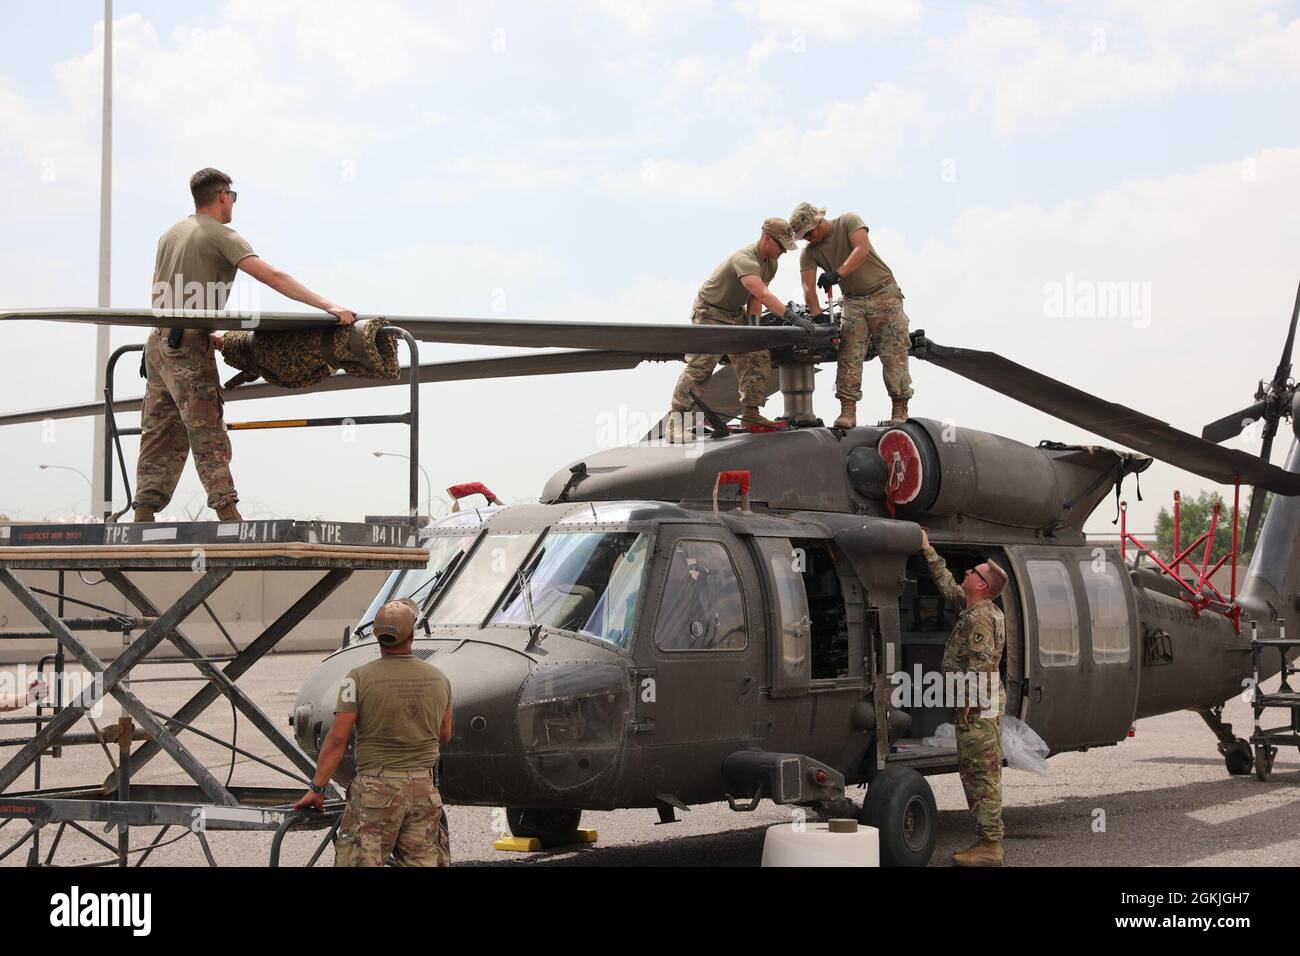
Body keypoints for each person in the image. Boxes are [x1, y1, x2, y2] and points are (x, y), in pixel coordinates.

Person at [132, 167, 359, 522]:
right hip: (186, 348)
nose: (233, 204)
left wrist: (204, 332)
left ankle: (143, 512)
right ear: (223, 196)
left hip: (158, 343)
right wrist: (328, 306)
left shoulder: (170, 235)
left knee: (159, 431)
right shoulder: (222, 236)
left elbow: (165, 289)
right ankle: (228, 513)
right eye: (233, 197)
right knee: (206, 428)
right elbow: (272, 276)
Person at [294, 598, 454, 867]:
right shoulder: (440, 679)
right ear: (412, 635)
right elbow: (445, 733)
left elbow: (337, 739)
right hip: (423, 790)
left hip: (375, 792)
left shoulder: (357, 679)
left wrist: (317, 788)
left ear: (377, 636)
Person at [918, 529, 1008, 866]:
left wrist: (969, 696)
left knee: (980, 771)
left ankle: (990, 845)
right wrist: (928, 550)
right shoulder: (972, 608)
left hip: (978, 703)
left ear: (983, 585)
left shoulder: (982, 616)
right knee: (975, 768)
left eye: (974, 572)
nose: (967, 573)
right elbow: (947, 584)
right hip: (977, 701)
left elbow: (982, 661)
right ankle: (988, 839)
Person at [666, 218, 800, 442]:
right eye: (781, 245)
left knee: (757, 356)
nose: (784, 251)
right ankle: (676, 424)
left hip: (735, 313)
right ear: (767, 238)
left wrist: (754, 331)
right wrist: (790, 316)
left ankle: (751, 414)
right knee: (701, 366)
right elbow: (763, 294)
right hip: (710, 311)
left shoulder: (771, 263)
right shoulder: (745, 259)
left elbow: (755, 299)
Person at [789, 202, 913, 428]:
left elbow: (861, 250)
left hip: (883, 293)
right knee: (849, 355)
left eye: (808, 232)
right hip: (852, 301)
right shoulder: (809, 253)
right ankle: (848, 410)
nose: (807, 238)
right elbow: (807, 287)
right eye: (803, 235)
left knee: (893, 352)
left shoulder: (849, 221)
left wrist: (838, 273)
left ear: (817, 221)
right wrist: (816, 315)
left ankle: (899, 406)